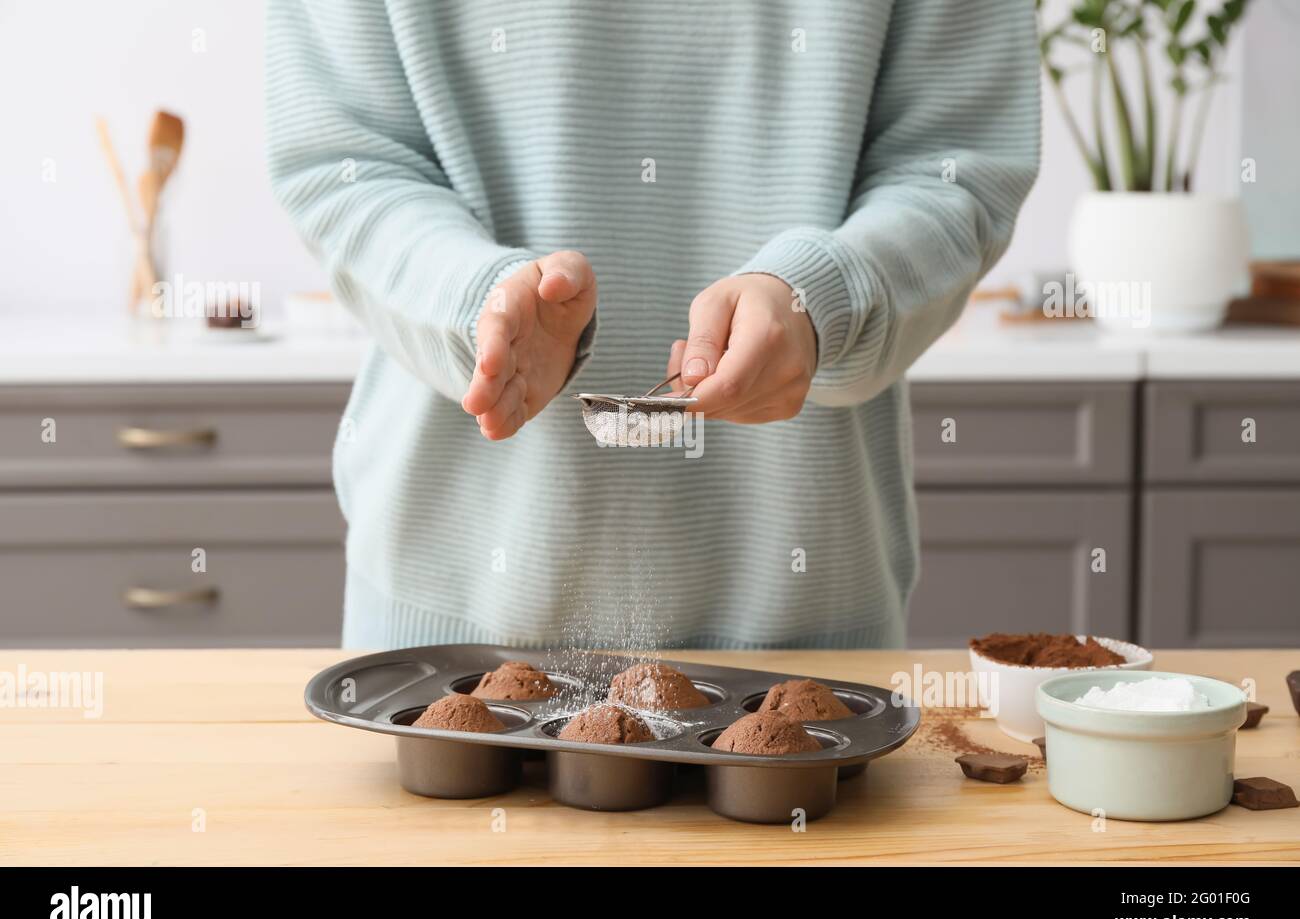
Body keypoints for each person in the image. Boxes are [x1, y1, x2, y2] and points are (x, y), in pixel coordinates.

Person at [266, 0, 1040, 650]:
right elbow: (346, 161)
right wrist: (477, 300)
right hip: (445, 643)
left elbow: (958, 168)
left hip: (808, 654)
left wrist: (820, 300)